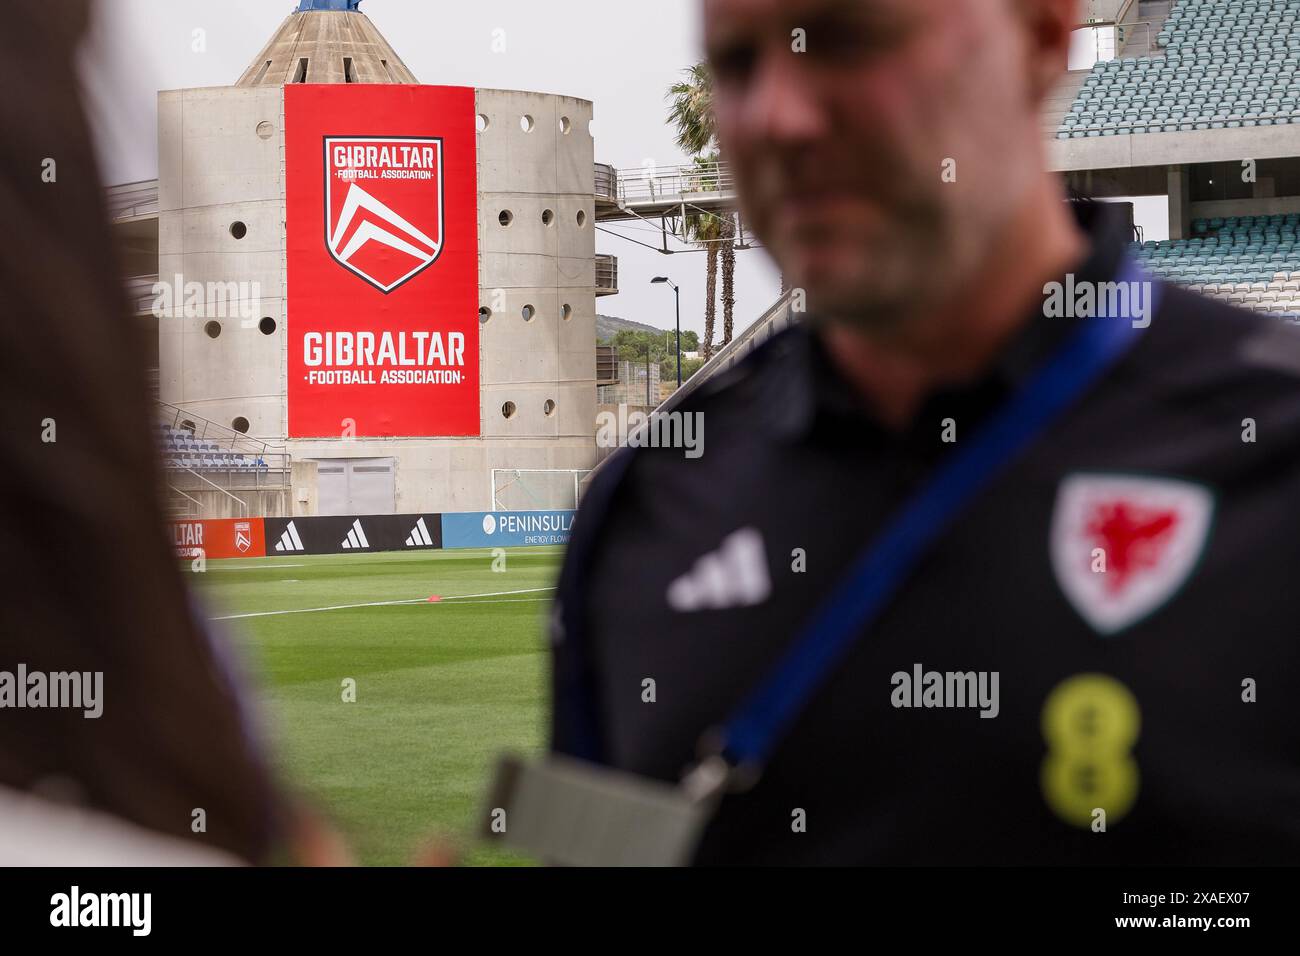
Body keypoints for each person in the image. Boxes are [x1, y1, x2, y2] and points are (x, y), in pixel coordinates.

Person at [549, 0, 1300, 863]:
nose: (779, 116)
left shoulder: (1272, 446)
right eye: (737, 64)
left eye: (850, 39)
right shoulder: (642, 510)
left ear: (1043, 36)